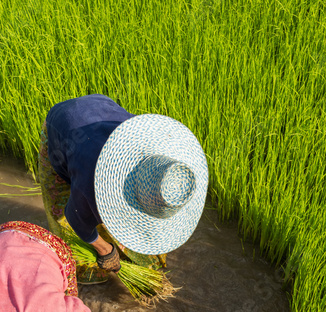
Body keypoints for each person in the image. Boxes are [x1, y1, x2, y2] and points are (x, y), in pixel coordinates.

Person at [38, 94, 209, 283]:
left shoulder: (165, 160)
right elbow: (73, 216)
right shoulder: (93, 179)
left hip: (102, 108)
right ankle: (84, 270)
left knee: (99, 214)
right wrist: (105, 250)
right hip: (63, 126)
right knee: (59, 210)